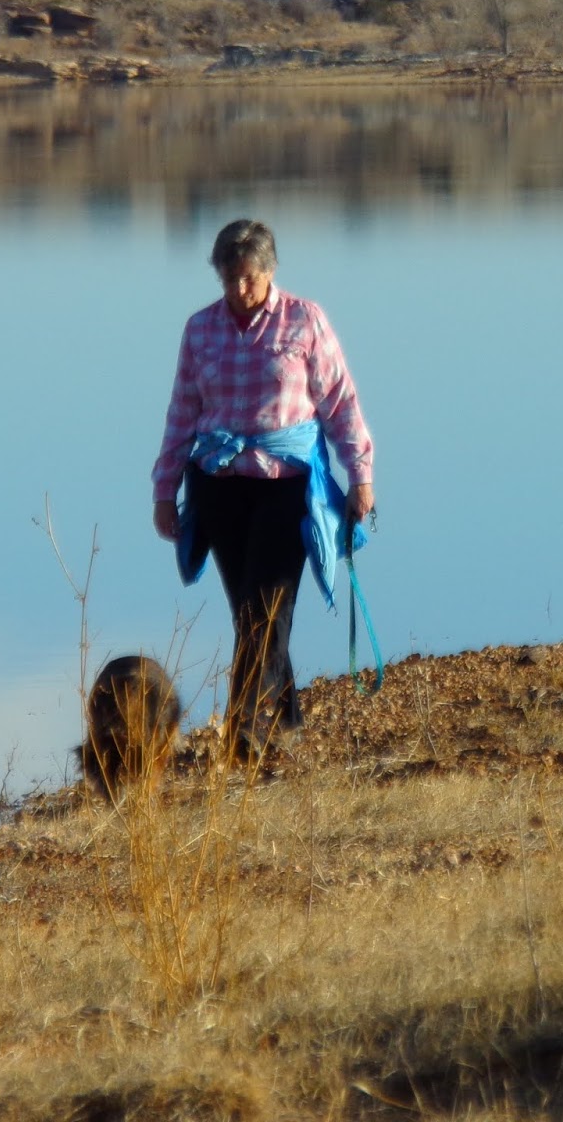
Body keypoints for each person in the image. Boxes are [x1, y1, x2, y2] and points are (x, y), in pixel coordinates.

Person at [151, 219, 375, 759]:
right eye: (228, 278)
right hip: (219, 487)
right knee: (249, 611)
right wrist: (165, 488)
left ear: (269, 271)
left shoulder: (304, 320)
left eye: (248, 277)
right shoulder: (200, 330)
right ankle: (288, 716)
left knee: (266, 609)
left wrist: (360, 475)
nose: (238, 289)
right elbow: (182, 412)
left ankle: (244, 729)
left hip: (285, 486)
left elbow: (339, 401)